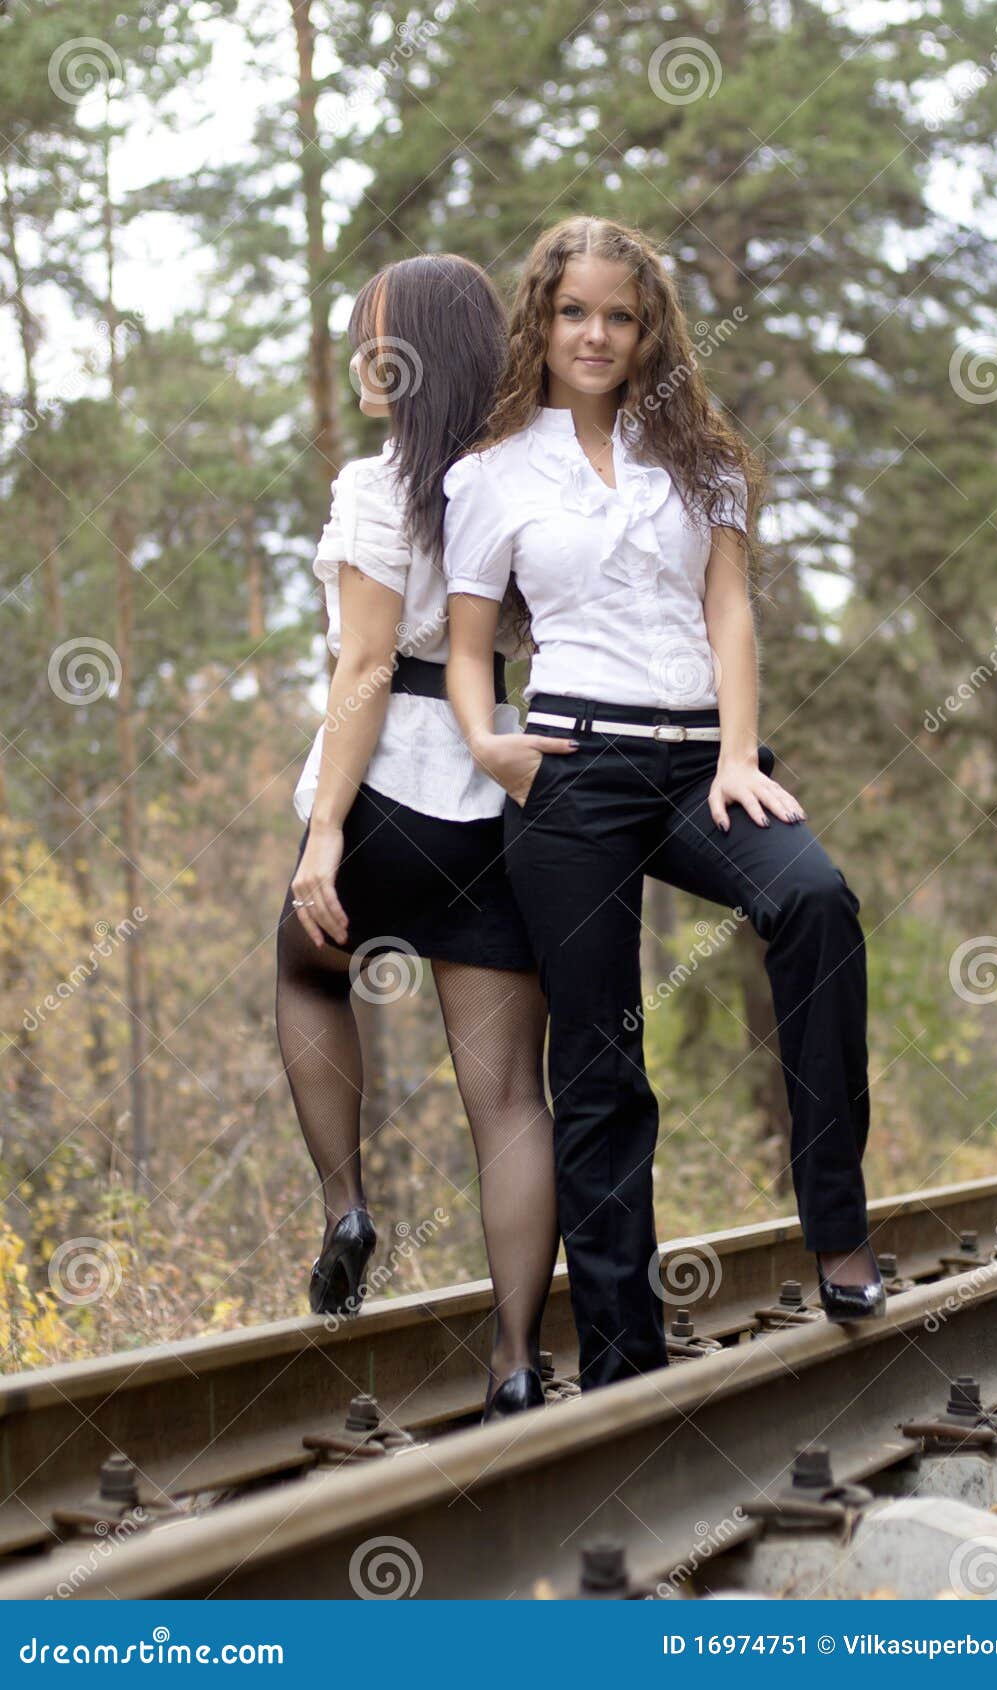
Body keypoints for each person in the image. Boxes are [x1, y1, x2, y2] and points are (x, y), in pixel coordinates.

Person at [441, 215, 885, 1396]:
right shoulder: (490, 476)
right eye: (573, 312)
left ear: (651, 332)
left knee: (818, 902)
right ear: (541, 322)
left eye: (620, 316)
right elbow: (473, 640)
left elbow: (730, 611)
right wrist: (494, 748)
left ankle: (836, 1222)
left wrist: (740, 754)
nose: (595, 334)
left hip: (703, 766)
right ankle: (624, 1360)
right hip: (571, 773)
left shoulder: (703, 456)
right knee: (599, 1060)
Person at [275, 254, 571, 1420]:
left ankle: (347, 1204)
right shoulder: (518, 481)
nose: (363, 360)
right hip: (495, 792)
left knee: (308, 973)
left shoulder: (374, 485)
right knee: (507, 1100)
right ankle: (513, 1359)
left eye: (377, 340)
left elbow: (362, 663)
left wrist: (327, 833)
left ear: (417, 356)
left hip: (388, 782)